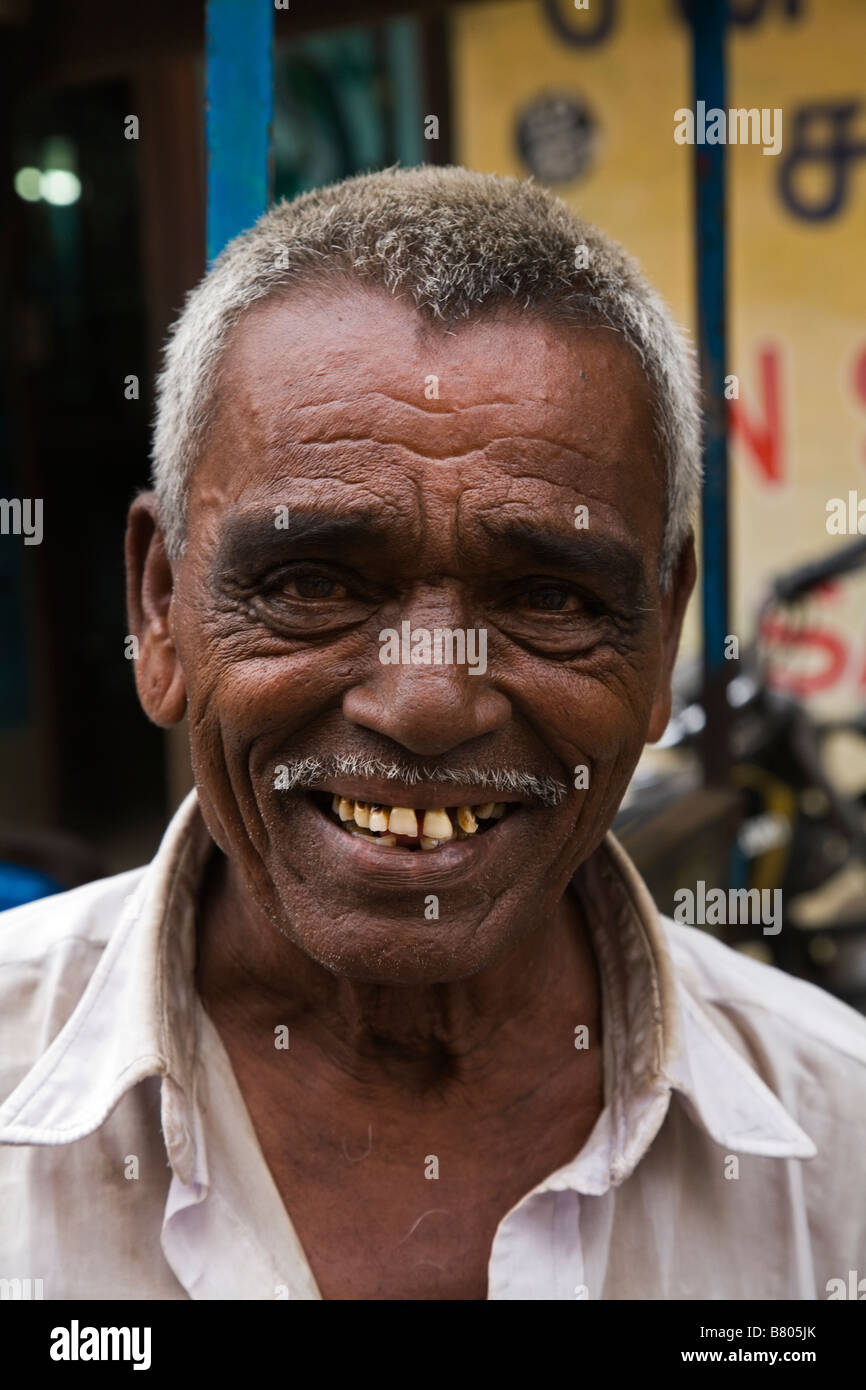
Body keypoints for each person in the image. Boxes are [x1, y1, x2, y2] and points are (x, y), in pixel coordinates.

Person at [1, 167, 863, 1300]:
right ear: (158, 609)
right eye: (310, 582)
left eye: (547, 599)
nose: (424, 703)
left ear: (660, 639)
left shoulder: (836, 1139)